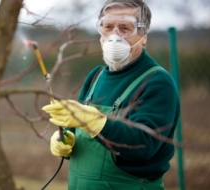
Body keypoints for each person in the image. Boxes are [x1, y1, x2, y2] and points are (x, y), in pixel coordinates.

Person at [42, 0, 180, 189]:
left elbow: (143, 145)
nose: (115, 36)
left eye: (125, 28)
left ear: (144, 35)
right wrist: (65, 140)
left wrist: (94, 121)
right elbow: (76, 131)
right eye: (107, 27)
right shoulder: (96, 77)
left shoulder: (157, 82)